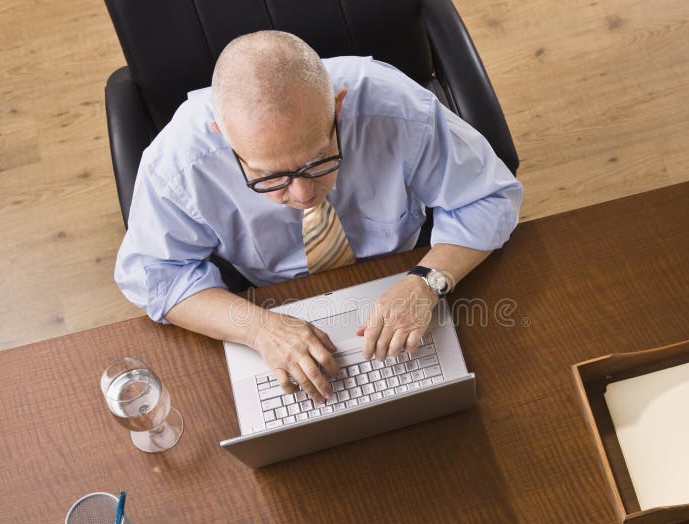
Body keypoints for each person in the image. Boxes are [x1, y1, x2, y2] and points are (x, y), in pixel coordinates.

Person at [115, 31, 522, 404]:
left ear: (338, 109)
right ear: (225, 137)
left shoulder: (397, 108)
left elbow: (490, 196)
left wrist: (427, 282)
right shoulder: (178, 163)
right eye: (270, 177)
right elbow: (156, 277)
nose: (302, 194)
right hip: (275, 303)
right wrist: (259, 329)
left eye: (318, 162)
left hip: (405, 274)